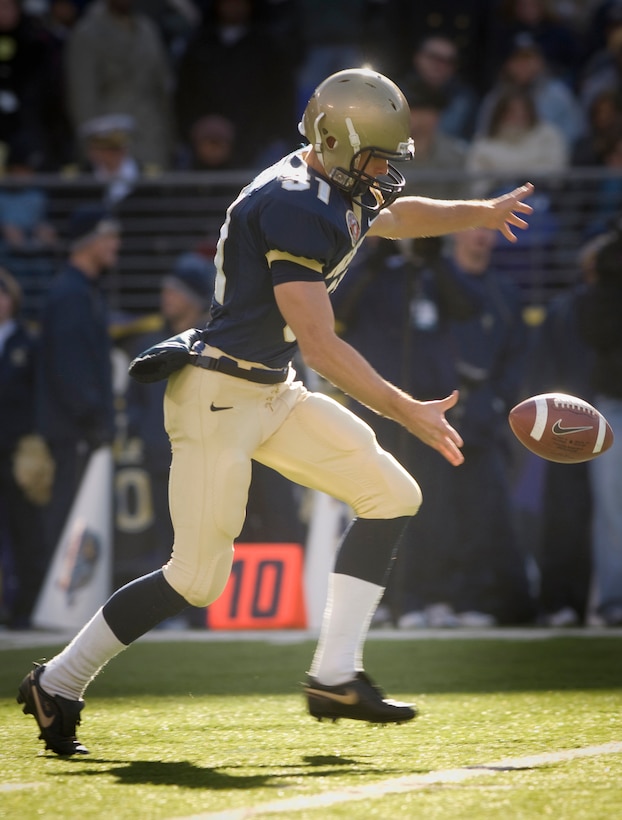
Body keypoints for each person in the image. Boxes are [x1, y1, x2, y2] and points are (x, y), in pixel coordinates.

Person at [17, 68, 533, 756]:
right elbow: (320, 344)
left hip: (269, 388)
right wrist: (403, 408)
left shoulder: (335, 180)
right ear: (336, 142)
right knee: (196, 578)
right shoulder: (293, 205)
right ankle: (57, 681)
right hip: (218, 398)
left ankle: (335, 676)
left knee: (391, 494)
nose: (383, 171)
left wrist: (479, 211)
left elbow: (393, 216)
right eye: (375, 156)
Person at [35, 205, 120, 565]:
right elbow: (70, 368)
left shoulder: (81, 290)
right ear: (91, 241)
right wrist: (92, 418)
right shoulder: (71, 294)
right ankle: (58, 590)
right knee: (69, 515)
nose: (116, 245)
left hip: (78, 429)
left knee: (76, 516)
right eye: (110, 237)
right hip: (74, 432)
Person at [0, 267, 53, 628]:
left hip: (18, 453)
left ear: (13, 299)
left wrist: (36, 441)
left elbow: (40, 396)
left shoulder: (28, 343)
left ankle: (26, 608)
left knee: (25, 533)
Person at [64, 0, 173, 170]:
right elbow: (82, 97)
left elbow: (163, 89)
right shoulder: (87, 32)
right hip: (111, 141)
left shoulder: (148, 29)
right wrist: (92, 150)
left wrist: (170, 139)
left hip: (152, 137)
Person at [577, 226, 622, 626]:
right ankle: (612, 602)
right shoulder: (607, 266)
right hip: (614, 399)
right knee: (612, 506)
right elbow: (594, 329)